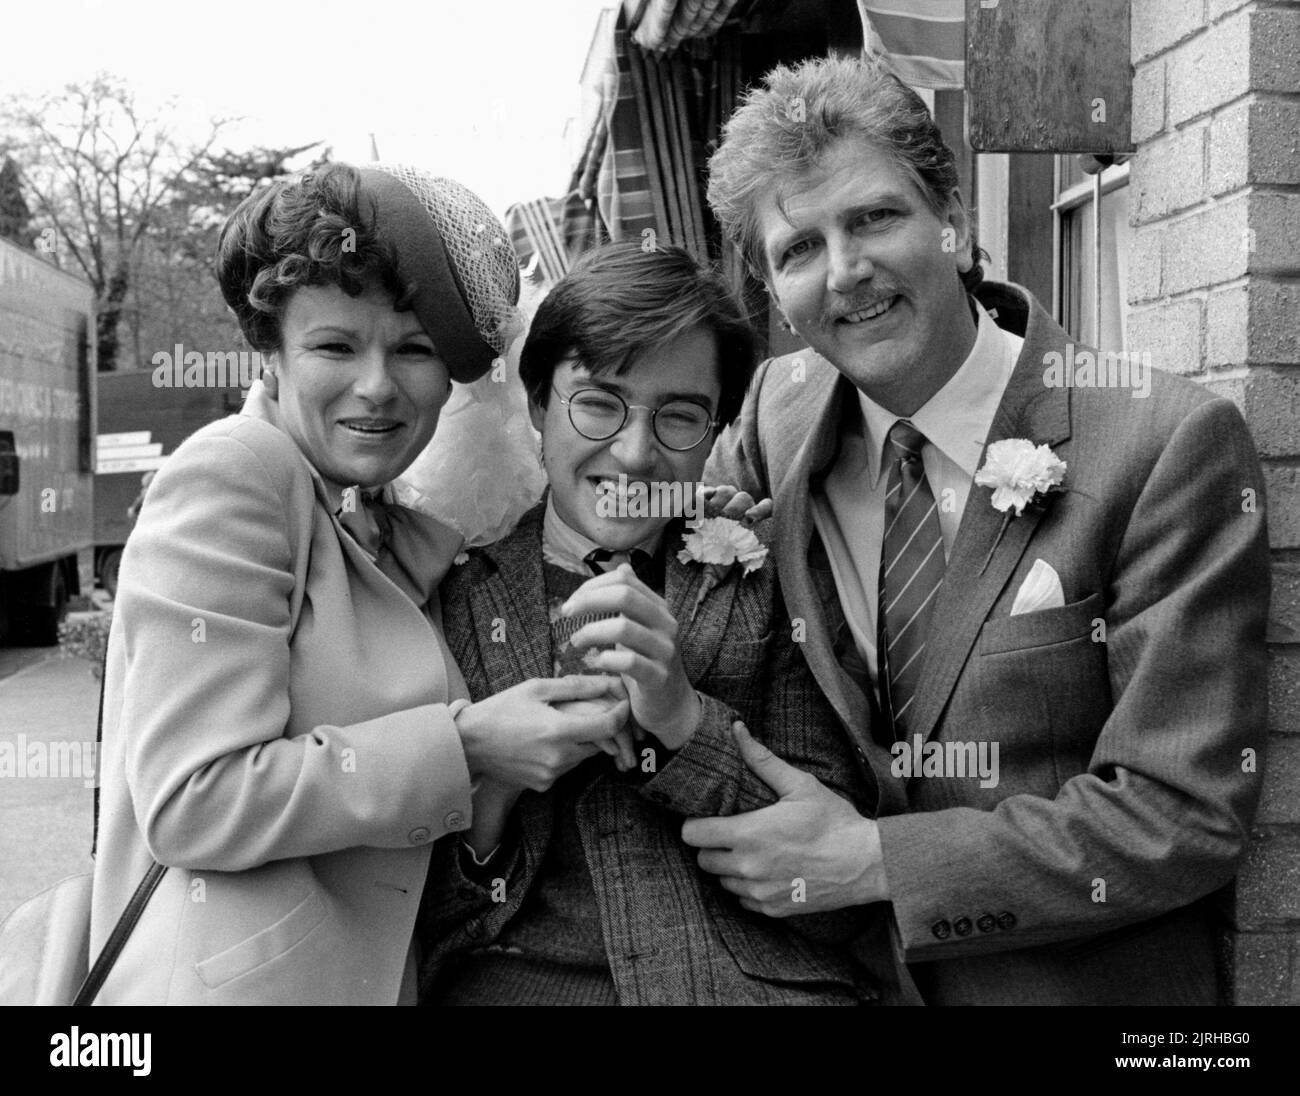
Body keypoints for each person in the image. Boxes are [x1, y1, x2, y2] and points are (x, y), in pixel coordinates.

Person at [683, 56, 1271, 1005]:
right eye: (799, 249)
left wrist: (878, 861)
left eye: (875, 216)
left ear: (954, 221)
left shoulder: (1163, 445)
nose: (846, 271)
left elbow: (1182, 812)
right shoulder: (771, 422)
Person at [89, 163, 629, 1005]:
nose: (378, 387)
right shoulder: (238, 473)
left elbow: (506, 525)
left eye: (414, 350)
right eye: (336, 345)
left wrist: (696, 510)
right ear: (268, 352)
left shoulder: (356, 509)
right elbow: (193, 800)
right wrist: (470, 747)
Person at [418, 242, 887, 1005]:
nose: (635, 456)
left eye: (679, 417)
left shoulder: (767, 577)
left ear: (716, 432)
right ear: (537, 403)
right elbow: (415, 914)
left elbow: (834, 886)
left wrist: (683, 719)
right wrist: (492, 790)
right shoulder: (458, 595)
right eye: (599, 403)